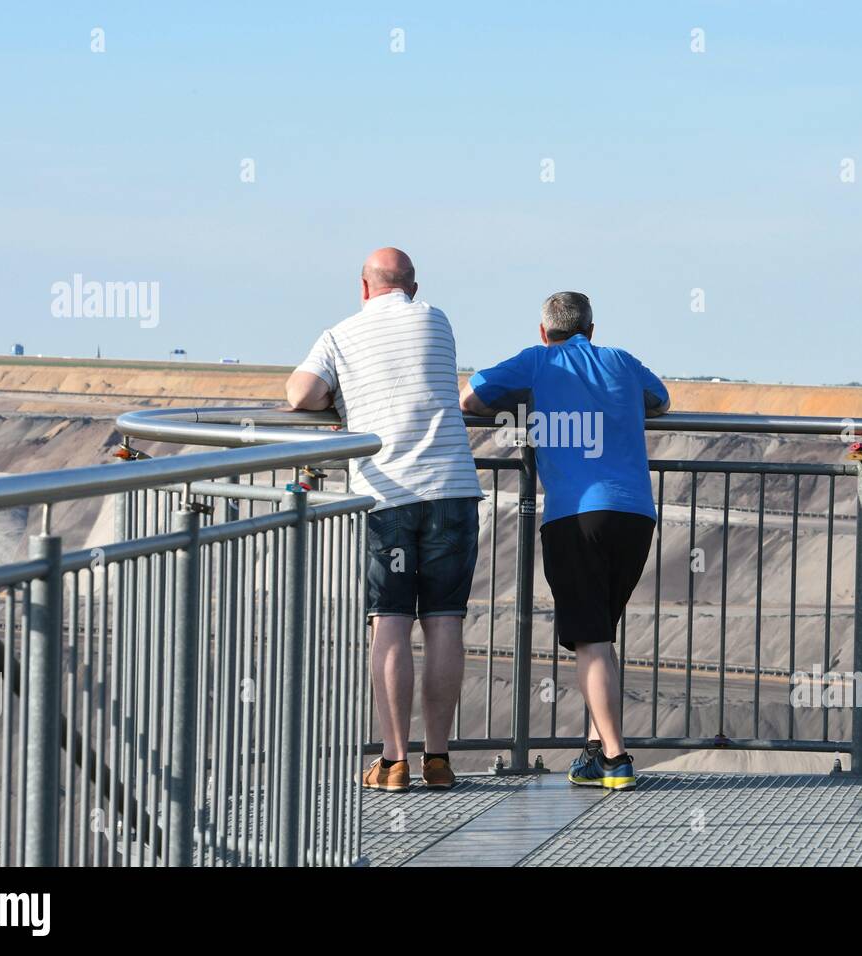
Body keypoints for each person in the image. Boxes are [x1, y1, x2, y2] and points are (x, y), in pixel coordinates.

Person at [287, 247, 483, 793]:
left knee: (390, 622)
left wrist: (334, 395)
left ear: (364, 287)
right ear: (413, 288)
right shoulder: (437, 320)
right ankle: (438, 760)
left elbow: (301, 394)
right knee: (445, 620)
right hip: (452, 490)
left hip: (386, 494)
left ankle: (393, 762)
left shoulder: (340, 334)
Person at [459, 291, 669, 790]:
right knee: (601, 632)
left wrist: (527, 399)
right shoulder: (620, 360)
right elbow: (661, 401)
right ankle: (597, 751)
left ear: (543, 331)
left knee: (590, 637)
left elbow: (470, 398)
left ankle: (616, 759)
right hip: (636, 513)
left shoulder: (537, 360)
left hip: (576, 515)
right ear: (592, 330)